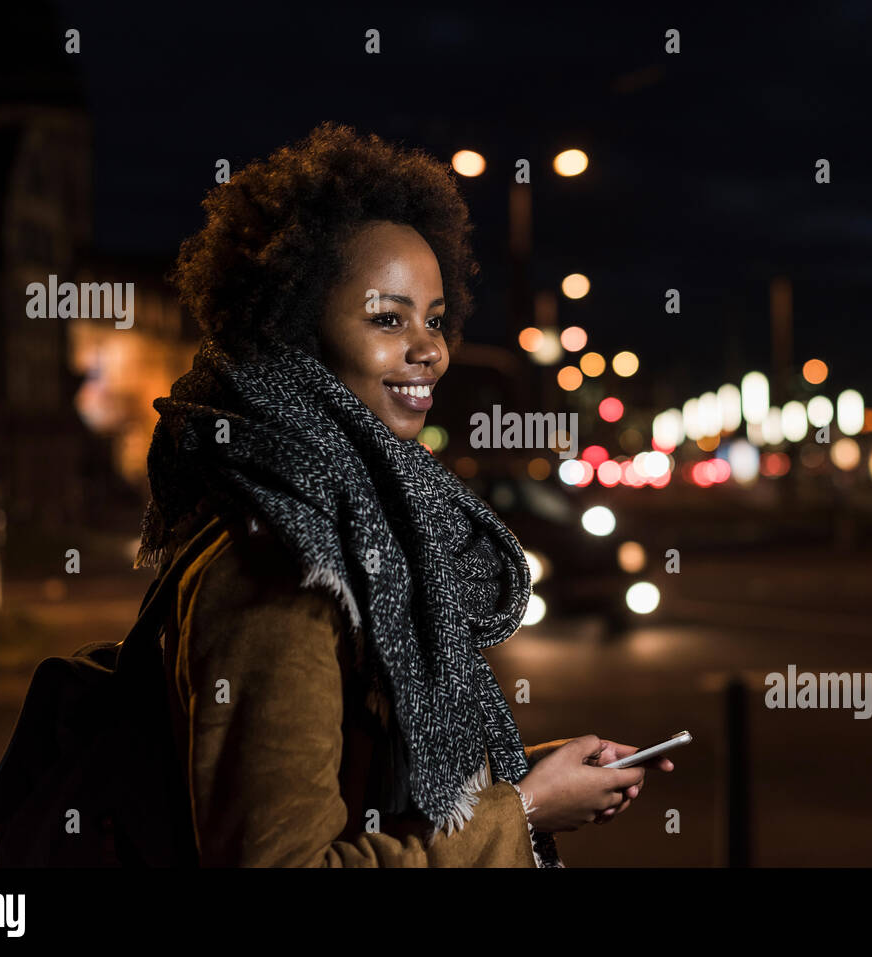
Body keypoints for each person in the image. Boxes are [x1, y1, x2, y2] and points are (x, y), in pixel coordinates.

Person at [133, 121, 673, 867]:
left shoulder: (357, 525)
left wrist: (506, 778)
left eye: (436, 319)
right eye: (388, 319)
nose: (432, 349)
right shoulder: (288, 559)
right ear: (294, 331)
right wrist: (525, 810)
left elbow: (360, 774)